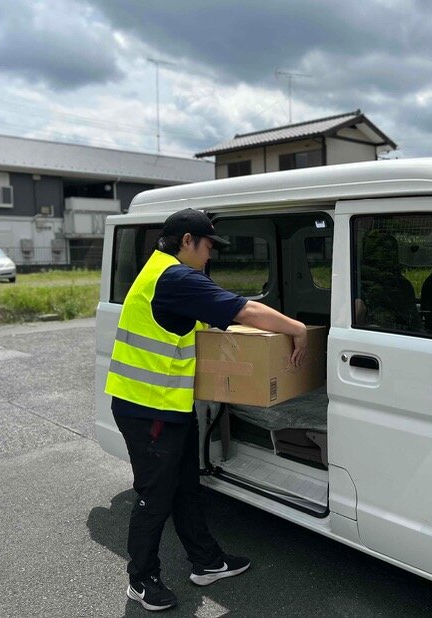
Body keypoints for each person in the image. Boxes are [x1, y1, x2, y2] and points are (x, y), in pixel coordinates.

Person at [105, 208, 308, 612]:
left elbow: (206, 323)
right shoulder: (175, 277)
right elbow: (243, 310)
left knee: (186, 488)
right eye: (208, 245)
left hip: (167, 406)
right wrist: (297, 329)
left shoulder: (162, 272)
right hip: (148, 409)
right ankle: (141, 580)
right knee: (155, 496)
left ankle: (207, 562)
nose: (211, 254)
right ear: (187, 241)